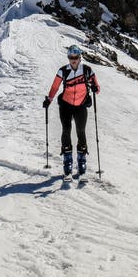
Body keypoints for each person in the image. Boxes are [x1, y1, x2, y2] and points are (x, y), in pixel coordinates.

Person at [43, 45, 100, 179]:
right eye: (70, 57)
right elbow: (55, 86)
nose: (73, 60)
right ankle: (67, 161)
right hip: (66, 105)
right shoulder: (63, 71)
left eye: (75, 57)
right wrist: (49, 100)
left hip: (80, 105)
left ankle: (81, 161)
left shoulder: (87, 70)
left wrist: (94, 87)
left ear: (79, 57)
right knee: (66, 129)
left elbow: (97, 89)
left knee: (81, 131)